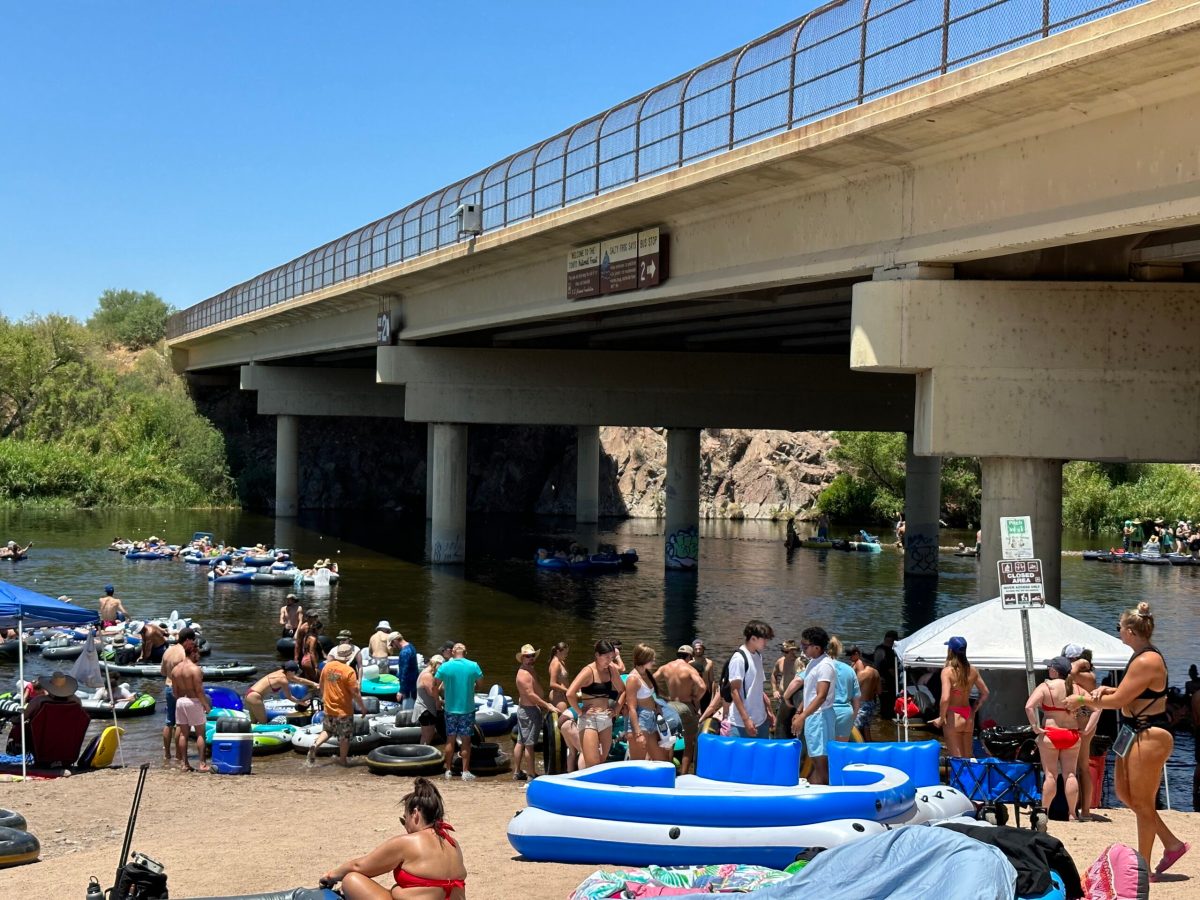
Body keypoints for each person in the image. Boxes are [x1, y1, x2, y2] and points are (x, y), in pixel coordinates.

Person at [1072, 602, 1189, 879]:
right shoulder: (1139, 656)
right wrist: (1107, 689)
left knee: (1142, 801)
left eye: (1119, 628)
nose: (1118, 633)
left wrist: (1080, 699)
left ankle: (1145, 867)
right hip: (1132, 732)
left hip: (1148, 733)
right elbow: (1130, 691)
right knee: (1127, 796)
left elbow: (1120, 700)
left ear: (1131, 631)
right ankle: (1171, 844)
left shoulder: (1148, 659)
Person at [322, 777, 466, 900]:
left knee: (351, 879)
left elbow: (359, 866)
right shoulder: (453, 843)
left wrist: (331, 875)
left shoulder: (408, 842)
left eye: (405, 819)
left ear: (415, 813)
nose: (405, 826)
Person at [1026, 657, 1098, 821]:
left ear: (1054, 671)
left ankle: (1044, 812)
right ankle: (1072, 813)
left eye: (1050, 667)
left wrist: (1035, 727)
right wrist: (1087, 730)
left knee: (1050, 775)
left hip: (1051, 733)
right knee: (1070, 775)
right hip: (1071, 734)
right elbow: (1097, 708)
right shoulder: (1077, 689)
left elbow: (1029, 707)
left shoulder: (1046, 687)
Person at [565, 640, 624, 769]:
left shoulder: (611, 669)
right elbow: (570, 693)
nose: (609, 661)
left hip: (606, 718)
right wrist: (580, 712)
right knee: (592, 762)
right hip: (589, 719)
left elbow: (623, 690)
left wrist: (616, 709)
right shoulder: (588, 671)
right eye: (607, 657)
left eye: (612, 657)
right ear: (597, 655)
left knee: (602, 760)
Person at [306, 643, 366, 767]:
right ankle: (343, 760)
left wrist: (324, 699)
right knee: (345, 736)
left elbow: (321, 686)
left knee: (327, 730)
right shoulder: (349, 671)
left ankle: (315, 745)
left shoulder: (327, 667)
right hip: (344, 710)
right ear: (349, 657)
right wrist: (363, 707)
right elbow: (355, 693)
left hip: (328, 707)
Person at [789, 627, 836, 784]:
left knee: (820, 762)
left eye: (805, 645)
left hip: (820, 717)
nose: (802, 648)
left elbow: (821, 696)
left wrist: (802, 717)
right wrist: (799, 710)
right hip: (813, 716)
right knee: (816, 760)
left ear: (817, 647)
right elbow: (810, 693)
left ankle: (827, 799)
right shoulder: (812, 663)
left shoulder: (825, 665)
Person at [930, 636, 989, 759]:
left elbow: (945, 698)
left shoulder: (948, 671)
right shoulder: (972, 670)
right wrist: (975, 708)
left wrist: (941, 718)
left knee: (957, 760)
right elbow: (985, 692)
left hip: (953, 715)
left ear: (950, 651)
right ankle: (970, 779)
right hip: (968, 715)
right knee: (967, 758)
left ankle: (959, 778)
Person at [435, 643, 483, 780]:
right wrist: (471, 685)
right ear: (465, 652)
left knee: (450, 739)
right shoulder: (473, 665)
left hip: (450, 709)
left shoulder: (445, 666)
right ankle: (465, 771)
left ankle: (448, 770)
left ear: (452, 652)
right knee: (466, 740)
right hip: (467, 709)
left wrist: (438, 699)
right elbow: (480, 685)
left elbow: (435, 685)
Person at [1064, 642, 1100, 819]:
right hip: (1080, 722)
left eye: (1070, 660)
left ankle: (1085, 809)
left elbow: (1097, 705)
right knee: (1075, 767)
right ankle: (1077, 807)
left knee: (1083, 767)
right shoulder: (1079, 674)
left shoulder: (1086, 676)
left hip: (1085, 723)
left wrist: (1088, 728)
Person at [657, 645, 706, 774]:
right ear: (689, 657)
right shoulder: (689, 669)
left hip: (670, 705)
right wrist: (695, 697)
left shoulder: (665, 667)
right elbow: (702, 686)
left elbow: (650, 681)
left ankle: (667, 772)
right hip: (686, 706)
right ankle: (684, 773)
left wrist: (664, 695)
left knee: (670, 741)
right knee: (689, 742)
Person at [512, 643, 557, 781]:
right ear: (522, 658)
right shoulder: (524, 674)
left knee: (521, 741)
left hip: (527, 709)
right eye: (527, 657)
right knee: (529, 744)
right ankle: (531, 774)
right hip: (528, 711)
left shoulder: (530, 670)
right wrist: (547, 705)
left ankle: (517, 771)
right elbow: (531, 695)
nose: (530, 658)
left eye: (532, 656)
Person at [726, 620, 776, 739]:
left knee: (761, 757)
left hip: (761, 719)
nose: (766, 642)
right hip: (742, 723)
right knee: (741, 757)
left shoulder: (758, 655)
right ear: (753, 638)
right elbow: (734, 691)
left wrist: (768, 711)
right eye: (764, 639)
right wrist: (746, 719)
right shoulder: (739, 659)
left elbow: (757, 687)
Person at [172, 639, 212, 772]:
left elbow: (175, 692)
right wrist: (206, 705)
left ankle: (184, 764)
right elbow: (199, 691)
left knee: (183, 734)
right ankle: (202, 764)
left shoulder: (175, 669)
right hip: (193, 701)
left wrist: (181, 700)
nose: (199, 655)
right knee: (201, 733)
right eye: (198, 653)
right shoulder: (195, 670)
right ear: (193, 652)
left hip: (180, 701)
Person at [624, 644, 666, 762]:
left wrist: (656, 706)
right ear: (644, 659)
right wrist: (638, 733)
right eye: (652, 659)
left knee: (660, 759)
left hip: (650, 717)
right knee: (638, 762)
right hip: (640, 720)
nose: (654, 661)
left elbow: (648, 696)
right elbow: (632, 708)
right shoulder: (633, 679)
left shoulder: (646, 673)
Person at [159, 627, 193, 767]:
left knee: (169, 722)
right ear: (188, 640)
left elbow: (162, 672)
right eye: (192, 641)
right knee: (181, 723)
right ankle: (179, 755)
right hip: (180, 689)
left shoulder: (168, 650)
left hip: (168, 686)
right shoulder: (183, 653)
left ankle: (167, 754)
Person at [244, 663, 318, 724]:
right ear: (290, 672)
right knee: (263, 722)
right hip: (255, 697)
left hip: (249, 694)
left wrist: (313, 684)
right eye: (295, 672)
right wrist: (301, 703)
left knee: (253, 722)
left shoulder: (282, 672)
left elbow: (299, 680)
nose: (296, 675)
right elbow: (289, 697)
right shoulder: (283, 680)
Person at [827, 636, 862, 741]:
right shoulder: (849, 670)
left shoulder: (819, 666)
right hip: (845, 713)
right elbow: (856, 700)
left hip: (826, 712)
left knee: (823, 751)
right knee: (840, 750)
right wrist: (852, 720)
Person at [847, 645, 881, 741]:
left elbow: (852, 689)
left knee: (853, 730)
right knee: (866, 730)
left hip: (862, 705)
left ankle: (855, 752)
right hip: (871, 704)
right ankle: (870, 752)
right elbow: (879, 691)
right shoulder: (876, 672)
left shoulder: (862, 674)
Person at [413, 655, 444, 746]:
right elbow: (432, 693)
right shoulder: (427, 675)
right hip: (425, 709)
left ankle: (422, 752)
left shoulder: (426, 673)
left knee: (428, 735)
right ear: (437, 664)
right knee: (427, 735)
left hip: (426, 708)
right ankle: (422, 754)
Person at [771, 640, 800, 738]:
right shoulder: (780, 661)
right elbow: (774, 674)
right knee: (780, 724)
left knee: (793, 724)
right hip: (782, 697)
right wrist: (774, 690)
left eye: (786, 651)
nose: (784, 653)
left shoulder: (799, 663)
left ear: (793, 651)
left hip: (794, 698)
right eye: (782, 651)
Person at [872, 630, 899, 721]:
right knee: (889, 708)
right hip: (888, 683)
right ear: (894, 641)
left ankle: (882, 724)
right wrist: (898, 680)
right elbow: (891, 670)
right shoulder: (890, 652)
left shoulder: (878, 648)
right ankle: (887, 727)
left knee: (882, 705)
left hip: (877, 682)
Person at [393, 632, 419, 710]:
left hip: (408, 688)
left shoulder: (404, 652)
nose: (393, 647)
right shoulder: (411, 646)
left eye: (392, 644)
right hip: (414, 684)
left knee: (407, 710)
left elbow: (405, 672)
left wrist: (401, 691)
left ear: (395, 641)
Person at [691, 639, 716, 712]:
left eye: (700, 649)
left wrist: (713, 697)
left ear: (703, 649)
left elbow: (712, 681)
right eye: (696, 649)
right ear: (693, 650)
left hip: (706, 693)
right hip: (694, 693)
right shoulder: (689, 663)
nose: (698, 651)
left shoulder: (709, 663)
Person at [547, 642, 571, 710]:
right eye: (565, 653)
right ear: (558, 652)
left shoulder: (561, 662)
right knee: (565, 719)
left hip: (564, 694)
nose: (567, 655)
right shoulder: (556, 664)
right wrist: (568, 690)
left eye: (567, 653)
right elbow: (552, 684)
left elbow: (564, 680)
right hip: (557, 696)